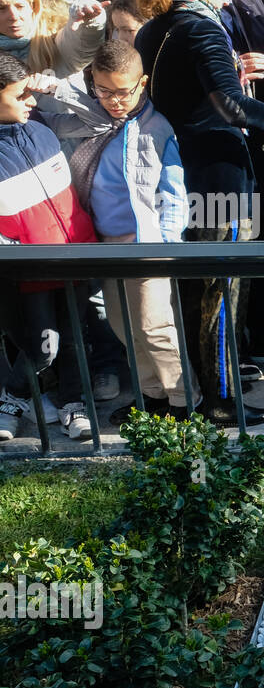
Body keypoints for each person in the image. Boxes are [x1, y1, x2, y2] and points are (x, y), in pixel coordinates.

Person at [135, 0, 264, 427]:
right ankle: (223, 399)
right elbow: (230, 106)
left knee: (197, 288)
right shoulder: (200, 27)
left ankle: (203, 390)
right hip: (218, 176)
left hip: (181, 173)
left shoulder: (155, 27)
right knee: (220, 290)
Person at [36, 41, 191, 423]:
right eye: (105, 91)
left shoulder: (156, 128)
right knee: (125, 327)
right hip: (105, 245)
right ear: (93, 83)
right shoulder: (93, 118)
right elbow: (62, 112)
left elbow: (174, 194)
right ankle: (153, 396)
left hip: (146, 246)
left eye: (124, 92)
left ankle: (185, 401)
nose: (115, 101)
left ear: (143, 83)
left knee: (155, 328)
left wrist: (166, 245)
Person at [0, 53, 98, 442]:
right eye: (21, 95)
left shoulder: (41, 127)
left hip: (74, 255)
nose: (31, 101)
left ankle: (74, 405)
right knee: (45, 347)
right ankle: (13, 398)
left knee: (76, 339)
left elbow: (103, 119)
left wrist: (56, 87)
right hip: (28, 269)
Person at [0, 0, 105, 79]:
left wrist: (88, 17)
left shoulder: (54, 39)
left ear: (32, 5)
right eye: (1, 8)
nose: (14, 16)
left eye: (20, 6)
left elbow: (84, 43)